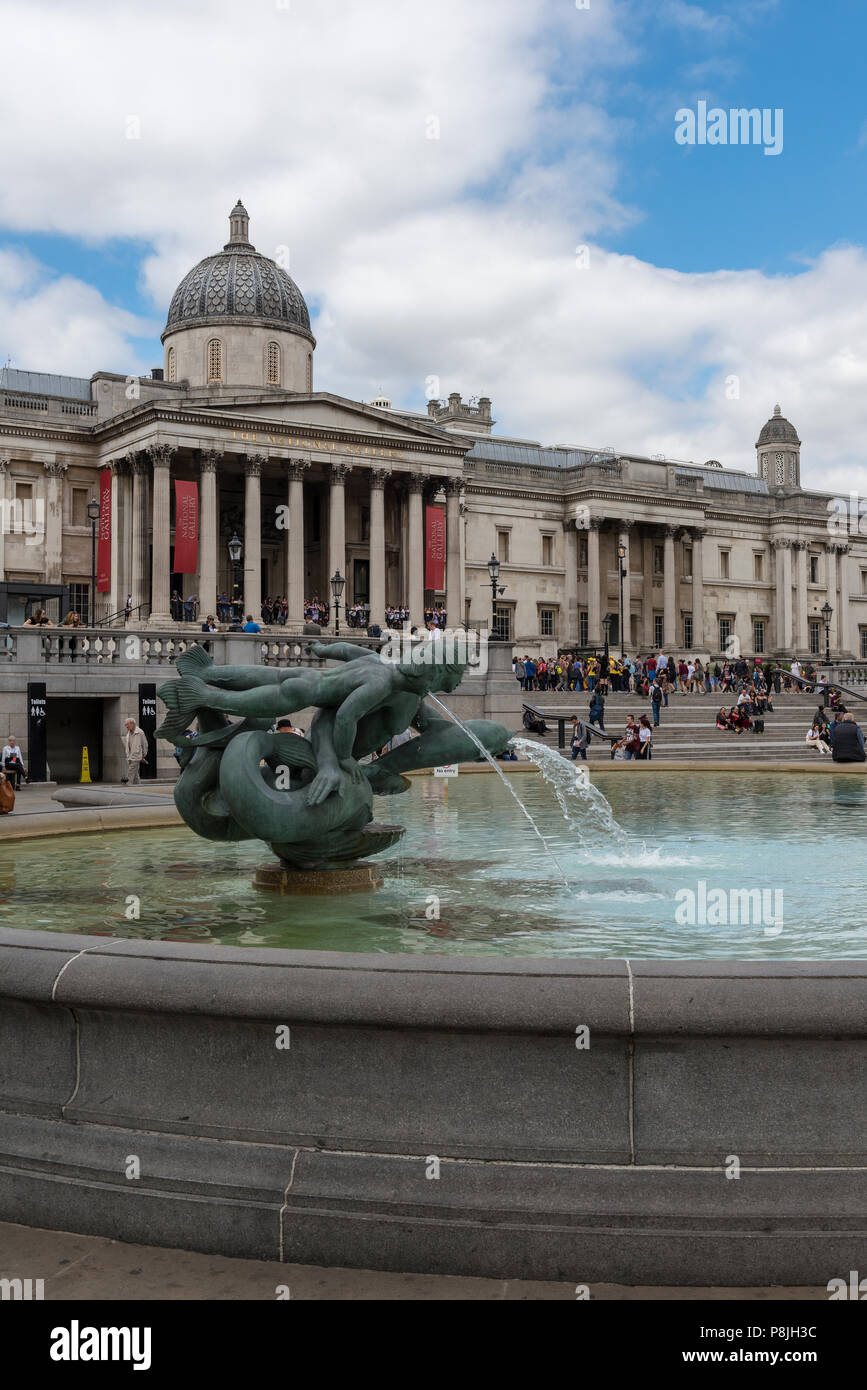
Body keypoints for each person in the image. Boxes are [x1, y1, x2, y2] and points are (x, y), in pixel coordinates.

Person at [122, 718, 149, 785]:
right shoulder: (128, 733)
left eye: (127, 724)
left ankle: (127, 783)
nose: (126, 726)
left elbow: (145, 744)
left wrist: (143, 756)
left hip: (136, 756)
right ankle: (138, 785)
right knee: (135, 773)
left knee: (131, 771)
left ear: (132, 724)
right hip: (129, 756)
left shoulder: (139, 732)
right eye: (125, 725)